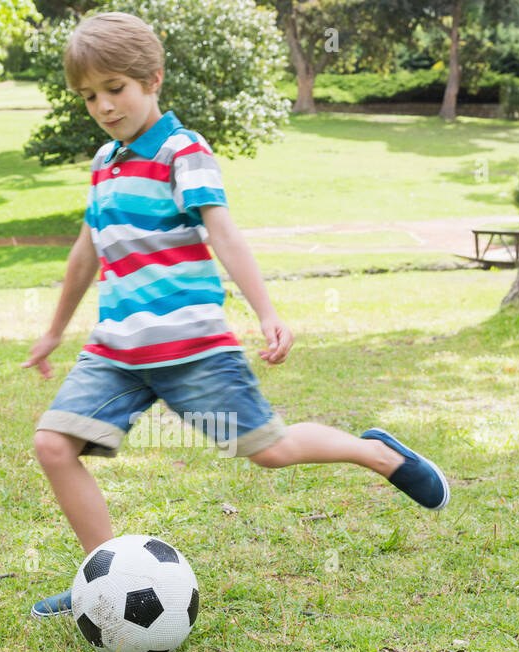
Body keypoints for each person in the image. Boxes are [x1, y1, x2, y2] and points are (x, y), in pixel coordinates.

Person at [23, 12, 449, 617]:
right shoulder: (103, 163)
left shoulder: (182, 151)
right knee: (53, 445)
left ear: (153, 80)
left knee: (267, 450)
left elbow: (224, 234)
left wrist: (266, 311)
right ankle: (105, 576)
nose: (104, 105)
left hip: (193, 350)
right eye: (89, 95)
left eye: (115, 88)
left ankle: (378, 453)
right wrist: (52, 331)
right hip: (116, 351)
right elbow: (84, 253)